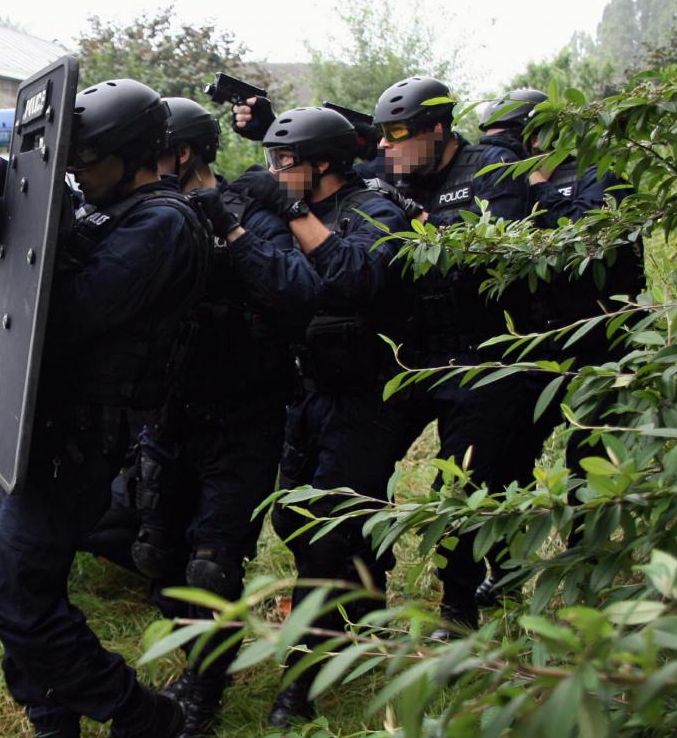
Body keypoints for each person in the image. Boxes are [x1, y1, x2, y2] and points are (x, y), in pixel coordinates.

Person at [0, 79, 205, 738]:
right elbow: (20, 245)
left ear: (128, 155)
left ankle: (145, 715)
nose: (73, 173)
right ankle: (51, 720)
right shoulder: (108, 207)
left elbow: (56, 309)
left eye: (84, 160)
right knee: (26, 596)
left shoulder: (162, 224)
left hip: (79, 440)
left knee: (15, 603)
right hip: (36, 431)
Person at [125, 97, 311, 738]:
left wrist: (228, 234)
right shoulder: (147, 212)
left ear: (182, 154)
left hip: (244, 415)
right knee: (159, 557)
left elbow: (295, 293)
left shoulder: (251, 211)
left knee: (212, 561)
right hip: (170, 414)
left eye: (153, 155)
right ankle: (199, 662)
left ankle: (203, 692)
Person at [231, 104, 413, 725]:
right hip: (302, 389)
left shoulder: (378, 207)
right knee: (292, 517)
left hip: (363, 396)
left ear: (326, 165)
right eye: (273, 161)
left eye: (288, 162)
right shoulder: (295, 206)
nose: (277, 170)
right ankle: (366, 611)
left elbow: (355, 276)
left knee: (327, 536)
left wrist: (290, 210)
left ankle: (302, 679)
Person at [368, 75, 538, 636]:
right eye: (382, 137)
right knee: (364, 468)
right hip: (414, 355)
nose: (387, 148)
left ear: (437, 129)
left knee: (459, 490)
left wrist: (419, 227)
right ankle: (361, 603)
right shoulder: (394, 174)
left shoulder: (491, 166)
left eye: (398, 135)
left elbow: (496, 254)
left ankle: (458, 607)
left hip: (480, 354)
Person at [473, 89, 646, 606]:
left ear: (538, 136)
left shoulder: (599, 174)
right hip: (536, 343)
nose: (496, 154)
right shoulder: (500, 187)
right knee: (501, 457)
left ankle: (583, 571)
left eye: (505, 142)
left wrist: (542, 189)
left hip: (601, 339)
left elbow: (584, 245)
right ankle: (501, 572)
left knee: (587, 457)